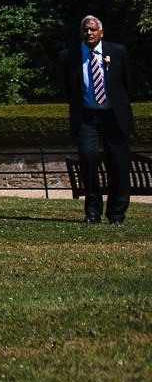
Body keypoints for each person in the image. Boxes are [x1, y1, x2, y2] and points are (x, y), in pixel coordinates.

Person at [63, 15, 133, 226]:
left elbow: (127, 84)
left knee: (118, 164)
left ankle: (117, 213)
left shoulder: (117, 52)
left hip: (114, 115)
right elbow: (69, 89)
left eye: (93, 29)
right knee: (88, 157)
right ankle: (92, 211)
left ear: (101, 33)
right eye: (85, 30)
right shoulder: (69, 56)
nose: (89, 33)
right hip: (87, 117)